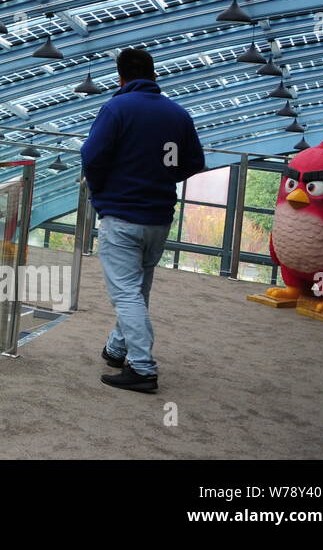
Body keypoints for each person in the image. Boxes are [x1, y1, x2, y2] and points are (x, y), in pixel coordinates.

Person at [81, 48, 204, 394]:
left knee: (126, 294)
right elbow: (194, 162)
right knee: (137, 289)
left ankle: (143, 367)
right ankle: (118, 349)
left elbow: (91, 156)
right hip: (159, 216)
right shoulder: (178, 114)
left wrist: (101, 190)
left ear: (120, 78)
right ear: (153, 74)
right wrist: (163, 178)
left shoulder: (116, 108)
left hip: (122, 215)